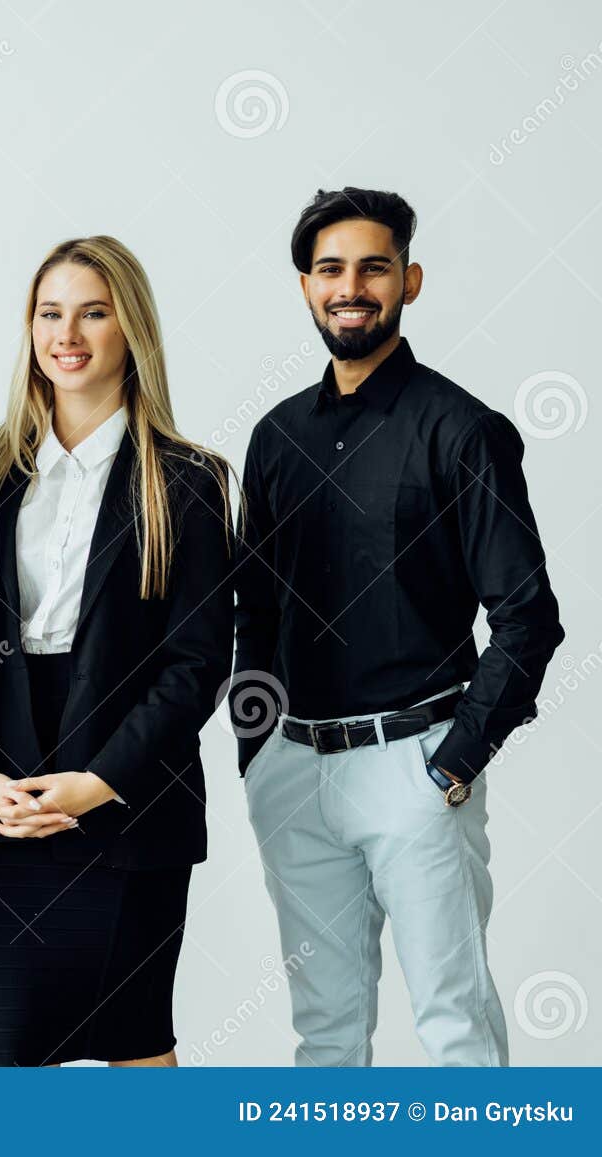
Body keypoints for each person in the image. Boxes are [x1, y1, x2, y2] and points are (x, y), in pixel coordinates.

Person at [232, 187, 565, 1066]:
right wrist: (256, 751)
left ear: (409, 281)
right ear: (305, 286)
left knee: (454, 1025)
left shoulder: (461, 430)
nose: (352, 286)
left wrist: (450, 767)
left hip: (414, 765)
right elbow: (254, 611)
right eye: (331, 269)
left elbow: (529, 618)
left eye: (374, 267)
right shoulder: (275, 439)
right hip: (294, 775)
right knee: (325, 1033)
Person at [0, 236, 233, 1067]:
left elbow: (196, 665)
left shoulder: (188, 480)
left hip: (131, 800)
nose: (67, 333)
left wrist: (98, 782)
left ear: (130, 328)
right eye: (49, 313)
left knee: (138, 1041)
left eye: (93, 312)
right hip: (11, 796)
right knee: (18, 1049)